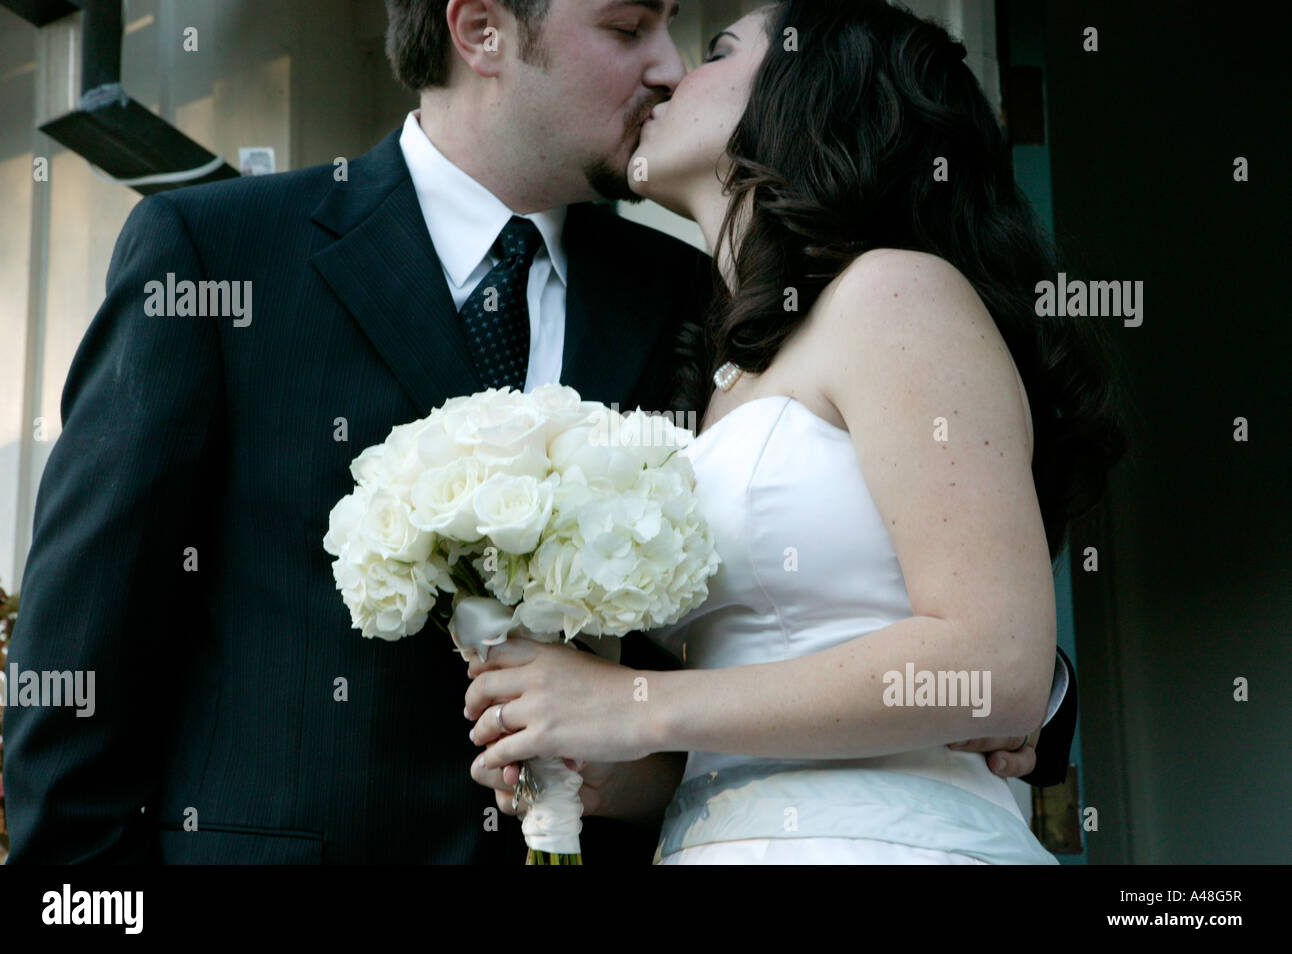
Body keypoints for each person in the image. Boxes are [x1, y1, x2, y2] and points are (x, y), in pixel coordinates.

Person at [4, 0, 1074, 866]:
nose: (662, 68)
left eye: (688, 44)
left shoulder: (709, 304)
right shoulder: (221, 250)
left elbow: (874, 589)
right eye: (626, 29)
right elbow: (90, 626)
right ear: (481, 32)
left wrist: (1027, 695)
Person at [464, 0, 1126, 863]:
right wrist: (599, 762)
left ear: (811, 90)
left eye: (717, 50)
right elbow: (752, 707)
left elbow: (998, 669)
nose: (668, 73)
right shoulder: (720, 370)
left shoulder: (895, 293)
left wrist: (633, 703)